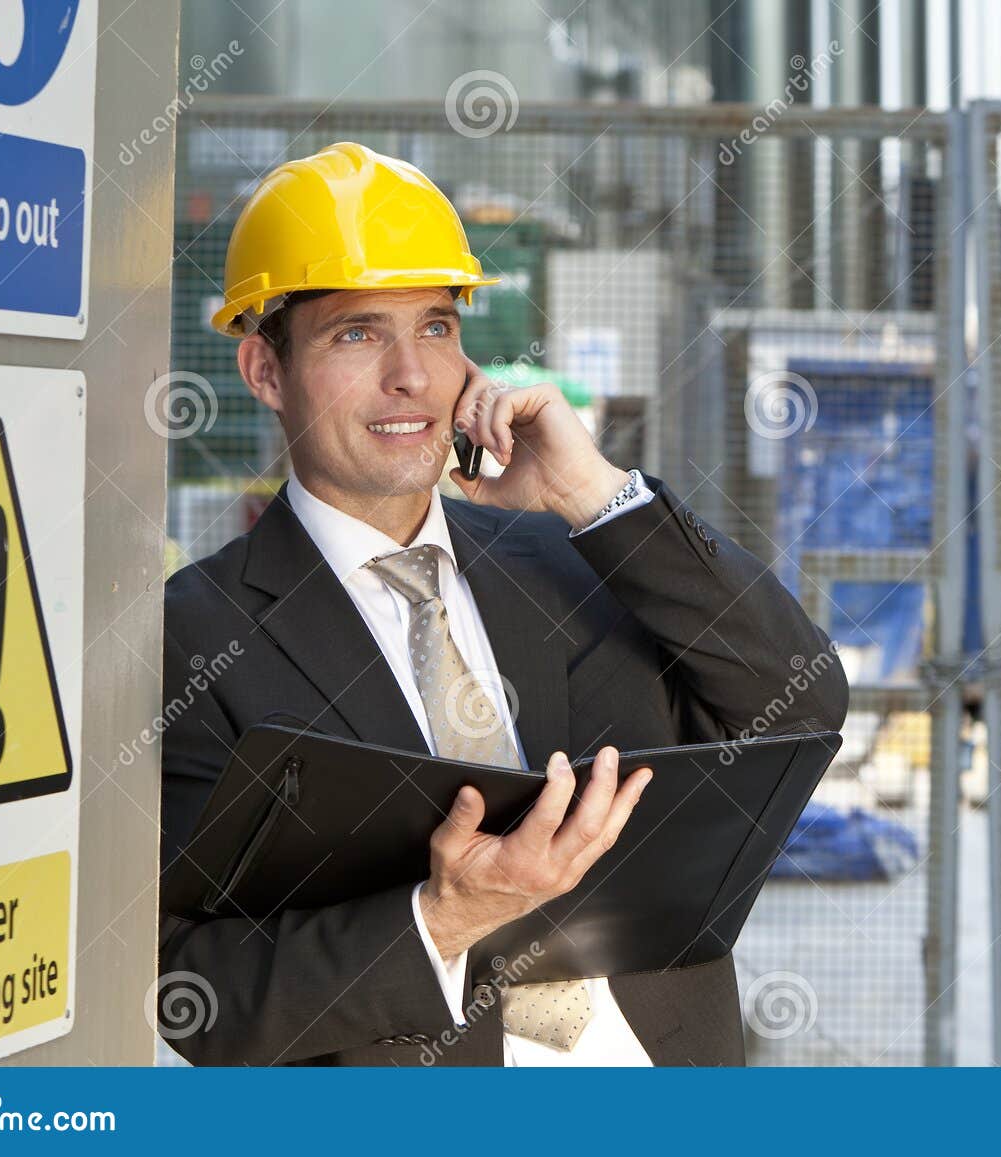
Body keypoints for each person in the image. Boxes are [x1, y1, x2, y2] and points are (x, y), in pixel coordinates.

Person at [156, 142, 848, 1066]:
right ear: (265, 371)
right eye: (358, 333)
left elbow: (799, 699)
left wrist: (594, 492)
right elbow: (191, 993)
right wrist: (443, 920)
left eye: (437, 327)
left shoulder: (575, 558)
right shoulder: (195, 633)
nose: (412, 376)